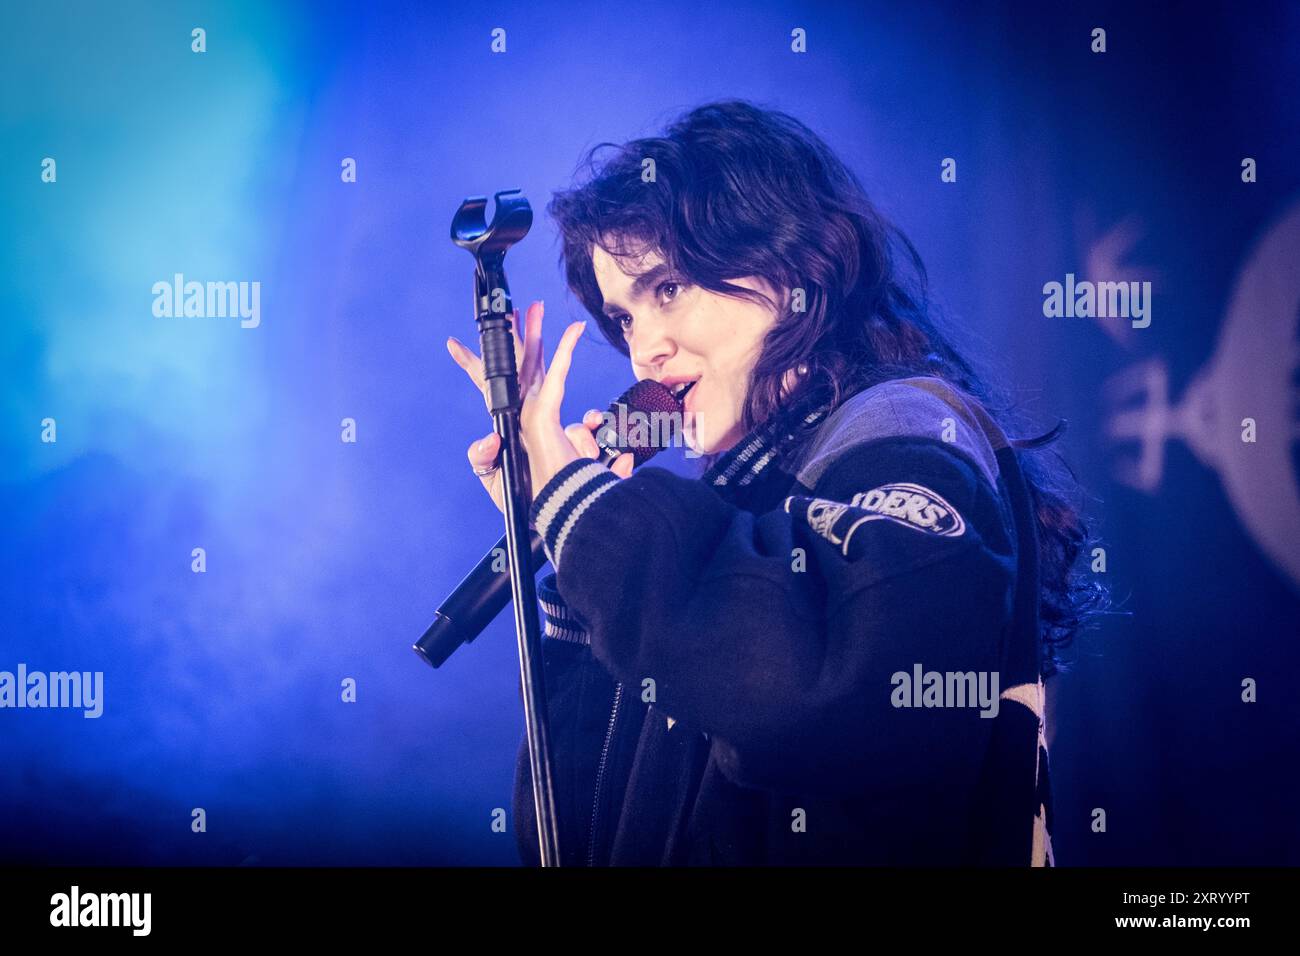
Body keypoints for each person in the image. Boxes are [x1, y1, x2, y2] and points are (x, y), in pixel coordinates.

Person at [446, 100, 1104, 866]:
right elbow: (583, 830)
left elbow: (813, 701)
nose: (644, 350)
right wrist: (578, 546)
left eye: (667, 290)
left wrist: (602, 523)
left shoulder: (904, 433)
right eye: (623, 319)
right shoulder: (731, 515)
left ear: (787, 266)